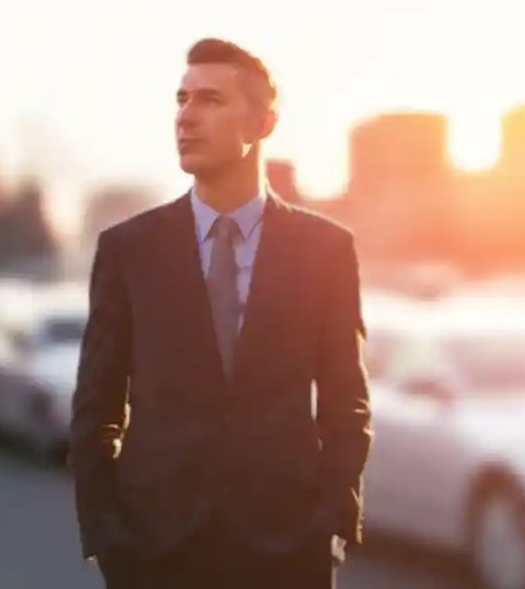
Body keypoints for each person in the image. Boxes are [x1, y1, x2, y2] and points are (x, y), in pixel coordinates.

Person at [70, 38, 372, 588]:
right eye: (181, 99)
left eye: (210, 100)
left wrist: (329, 524)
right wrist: (107, 539)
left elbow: (347, 404)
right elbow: (96, 408)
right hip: (154, 551)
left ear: (262, 123)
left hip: (286, 551)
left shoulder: (325, 250)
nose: (186, 117)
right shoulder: (129, 250)